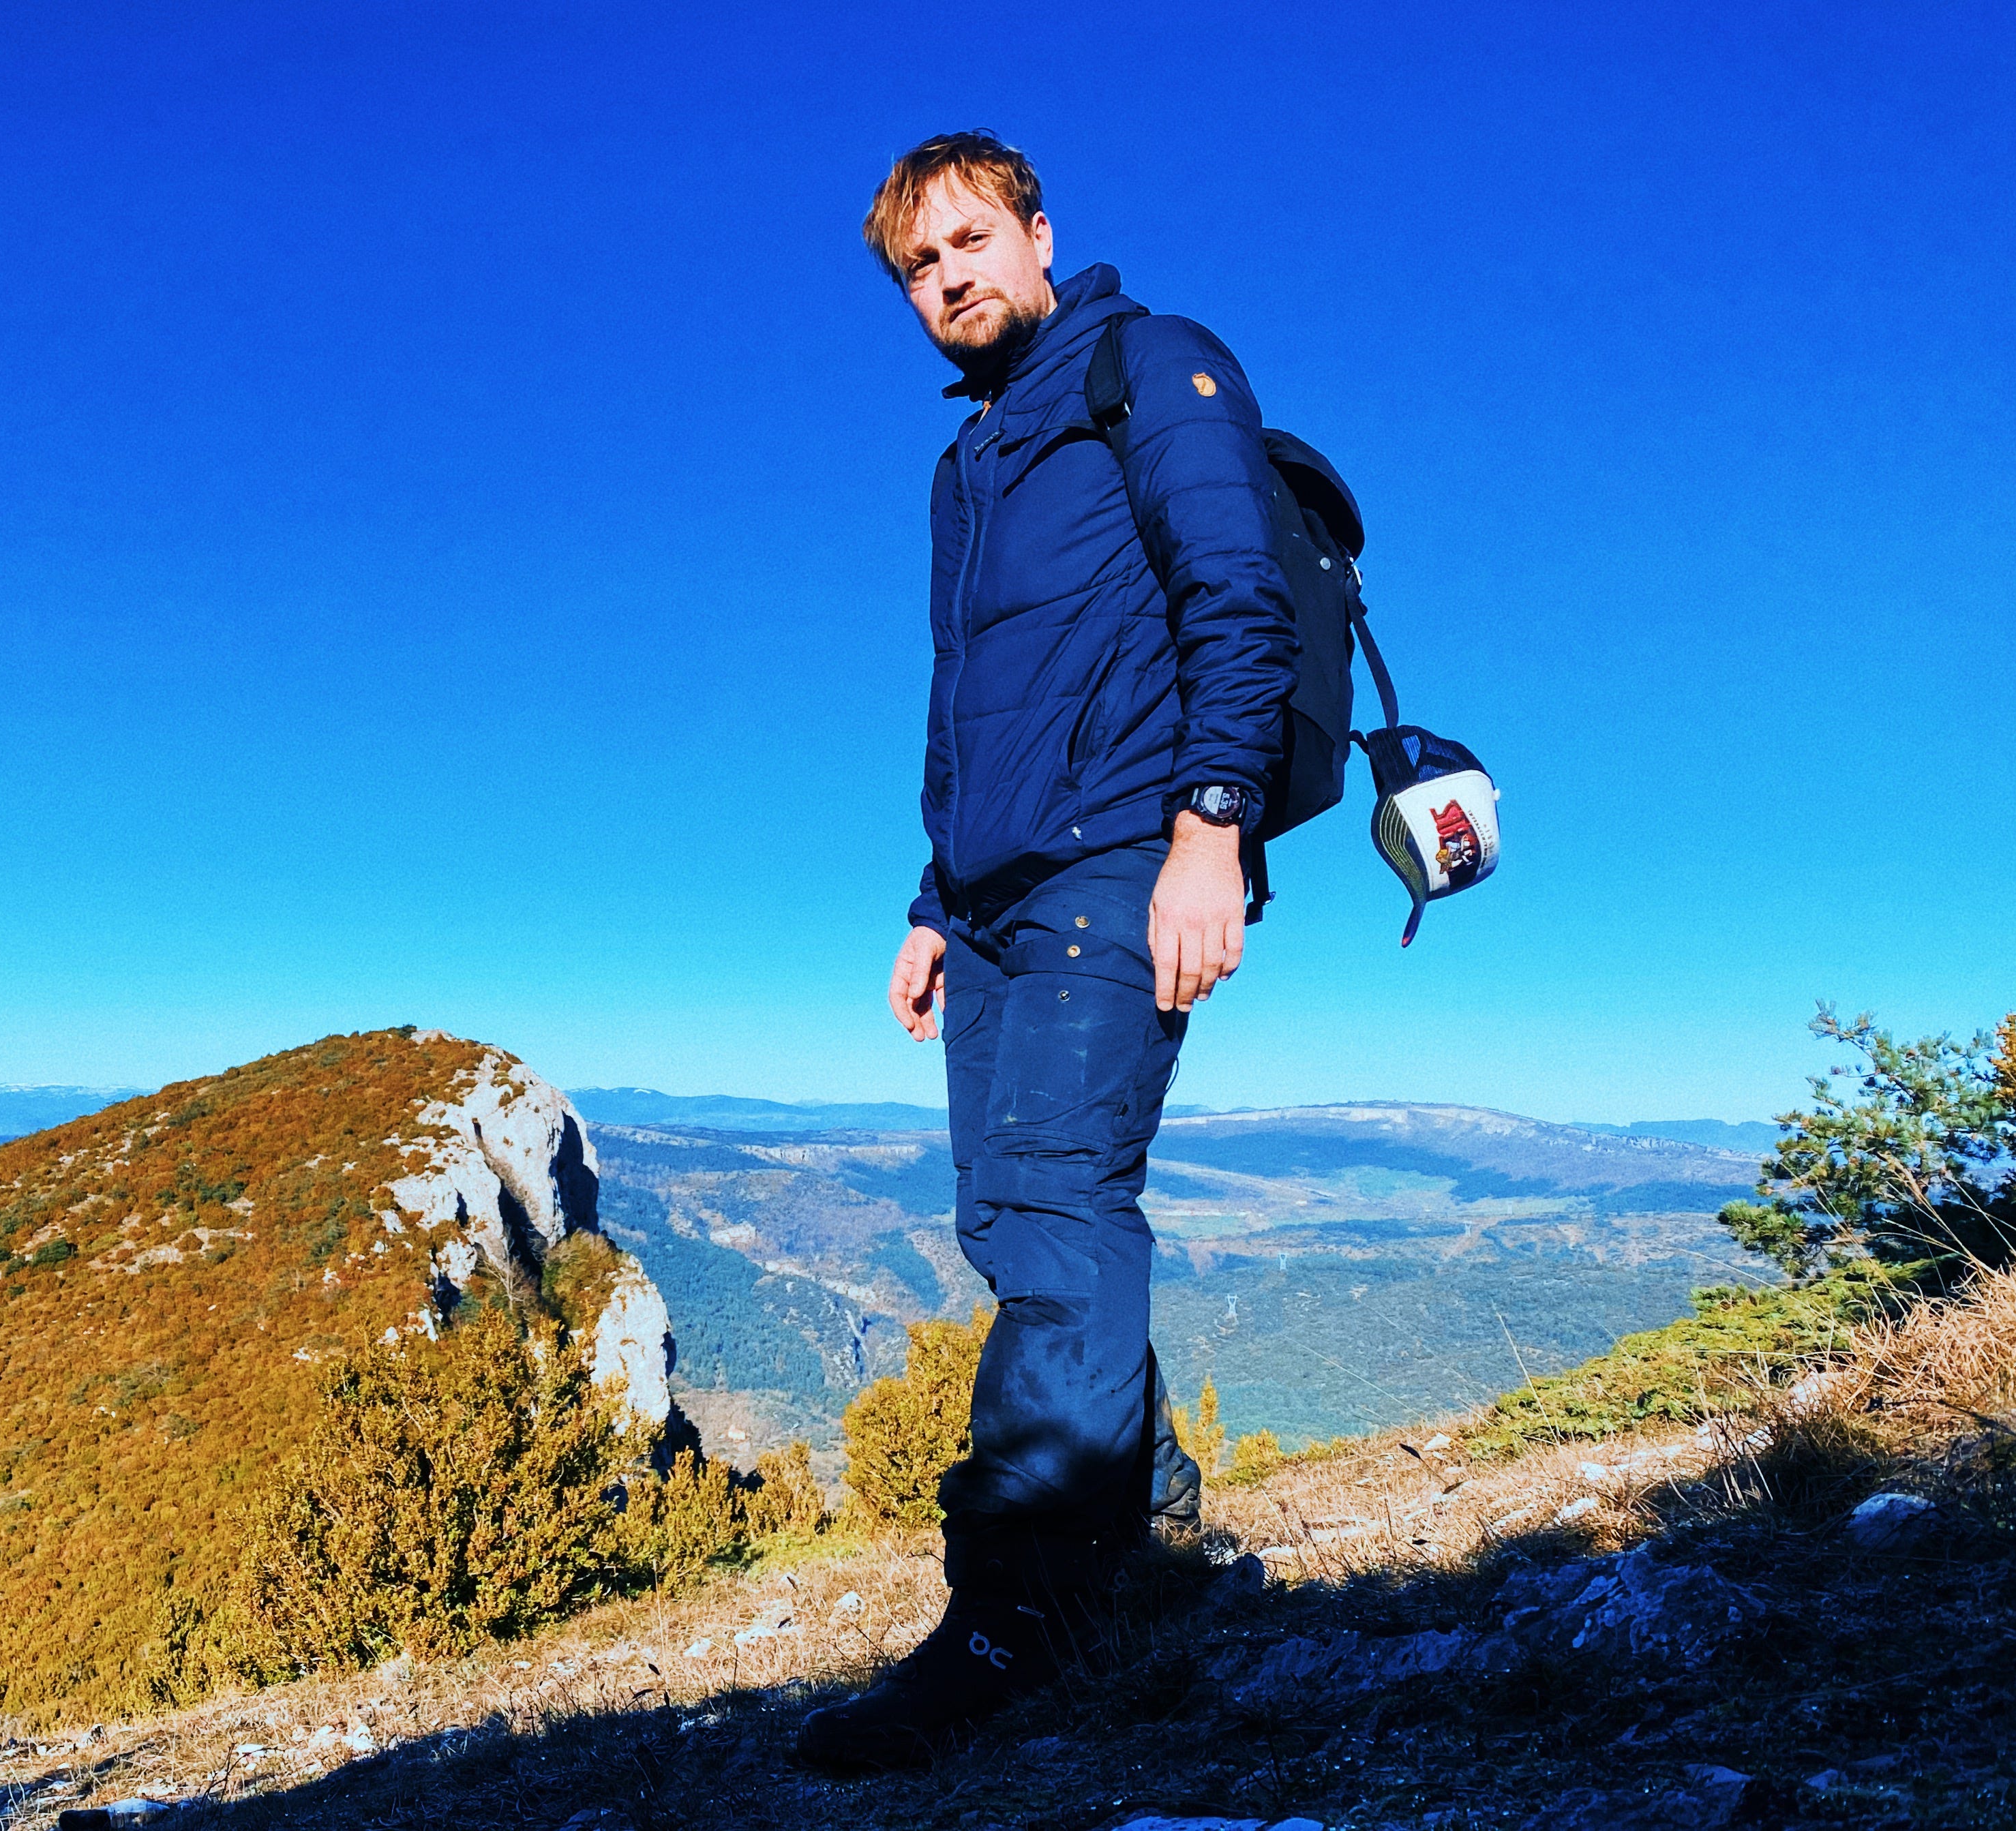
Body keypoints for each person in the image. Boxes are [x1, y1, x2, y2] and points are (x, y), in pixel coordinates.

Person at [796, 132, 1299, 1772]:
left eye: (967, 240)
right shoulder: (972, 463)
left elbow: (1237, 587)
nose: (947, 277)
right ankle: (1140, 1524)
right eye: (917, 267)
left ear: (1037, 234)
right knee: (1004, 1213)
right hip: (997, 896)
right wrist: (935, 903)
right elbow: (970, 709)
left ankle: (1021, 1605)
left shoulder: (1146, 368)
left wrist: (1209, 830)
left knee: (1058, 1204)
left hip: (1122, 863)